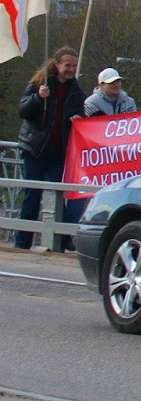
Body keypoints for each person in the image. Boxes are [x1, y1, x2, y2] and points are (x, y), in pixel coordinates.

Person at [14, 47, 87, 250]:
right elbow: (23, 111)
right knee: (32, 196)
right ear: (57, 65)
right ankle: (22, 243)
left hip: (59, 151)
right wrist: (38, 98)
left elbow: (81, 114)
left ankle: (59, 242)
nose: (71, 69)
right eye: (67, 65)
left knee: (59, 198)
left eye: (74, 65)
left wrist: (79, 119)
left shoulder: (76, 91)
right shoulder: (40, 83)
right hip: (36, 149)